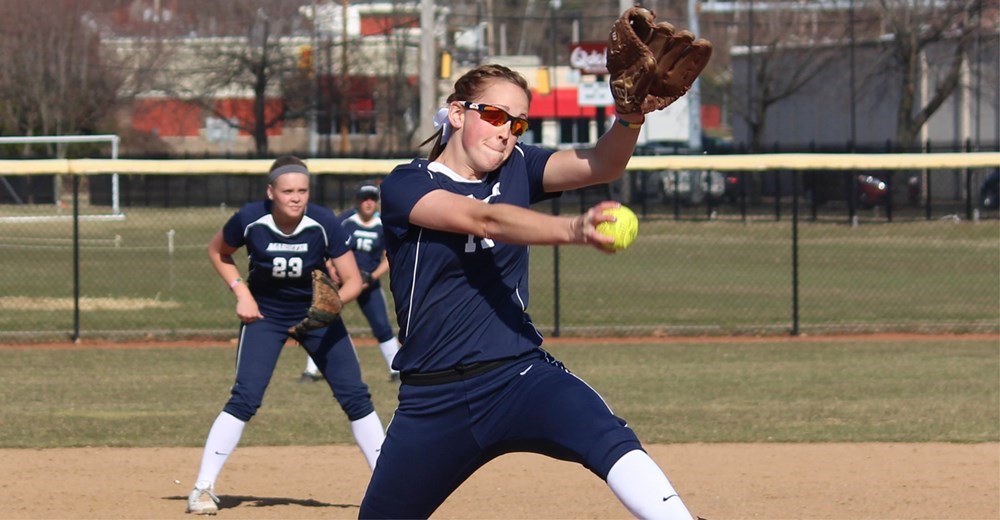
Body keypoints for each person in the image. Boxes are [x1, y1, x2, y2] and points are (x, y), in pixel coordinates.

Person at [358, 64, 700, 519]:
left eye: (517, 124)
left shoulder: (519, 165)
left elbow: (603, 163)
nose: (507, 133)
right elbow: (484, 219)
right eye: (496, 115)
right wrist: (573, 227)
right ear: (457, 113)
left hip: (518, 376)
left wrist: (630, 117)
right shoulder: (407, 184)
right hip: (433, 398)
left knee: (607, 435)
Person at [187, 155, 386, 515]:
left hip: (317, 315)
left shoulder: (323, 221)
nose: (296, 197)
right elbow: (218, 251)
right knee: (245, 396)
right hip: (265, 315)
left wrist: (330, 306)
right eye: (287, 191)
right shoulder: (250, 218)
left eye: (302, 190)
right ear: (271, 191)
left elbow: (353, 279)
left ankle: (391, 485)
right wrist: (242, 293)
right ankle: (203, 488)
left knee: (356, 396)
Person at [300, 184, 401, 383]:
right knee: (324, 317)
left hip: (367, 282)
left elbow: (389, 257)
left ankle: (396, 370)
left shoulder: (384, 224)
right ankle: (310, 371)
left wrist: (371, 277)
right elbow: (326, 248)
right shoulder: (346, 221)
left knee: (381, 325)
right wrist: (332, 270)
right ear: (357, 201)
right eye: (365, 198)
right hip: (341, 281)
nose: (369, 202)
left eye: (373, 198)